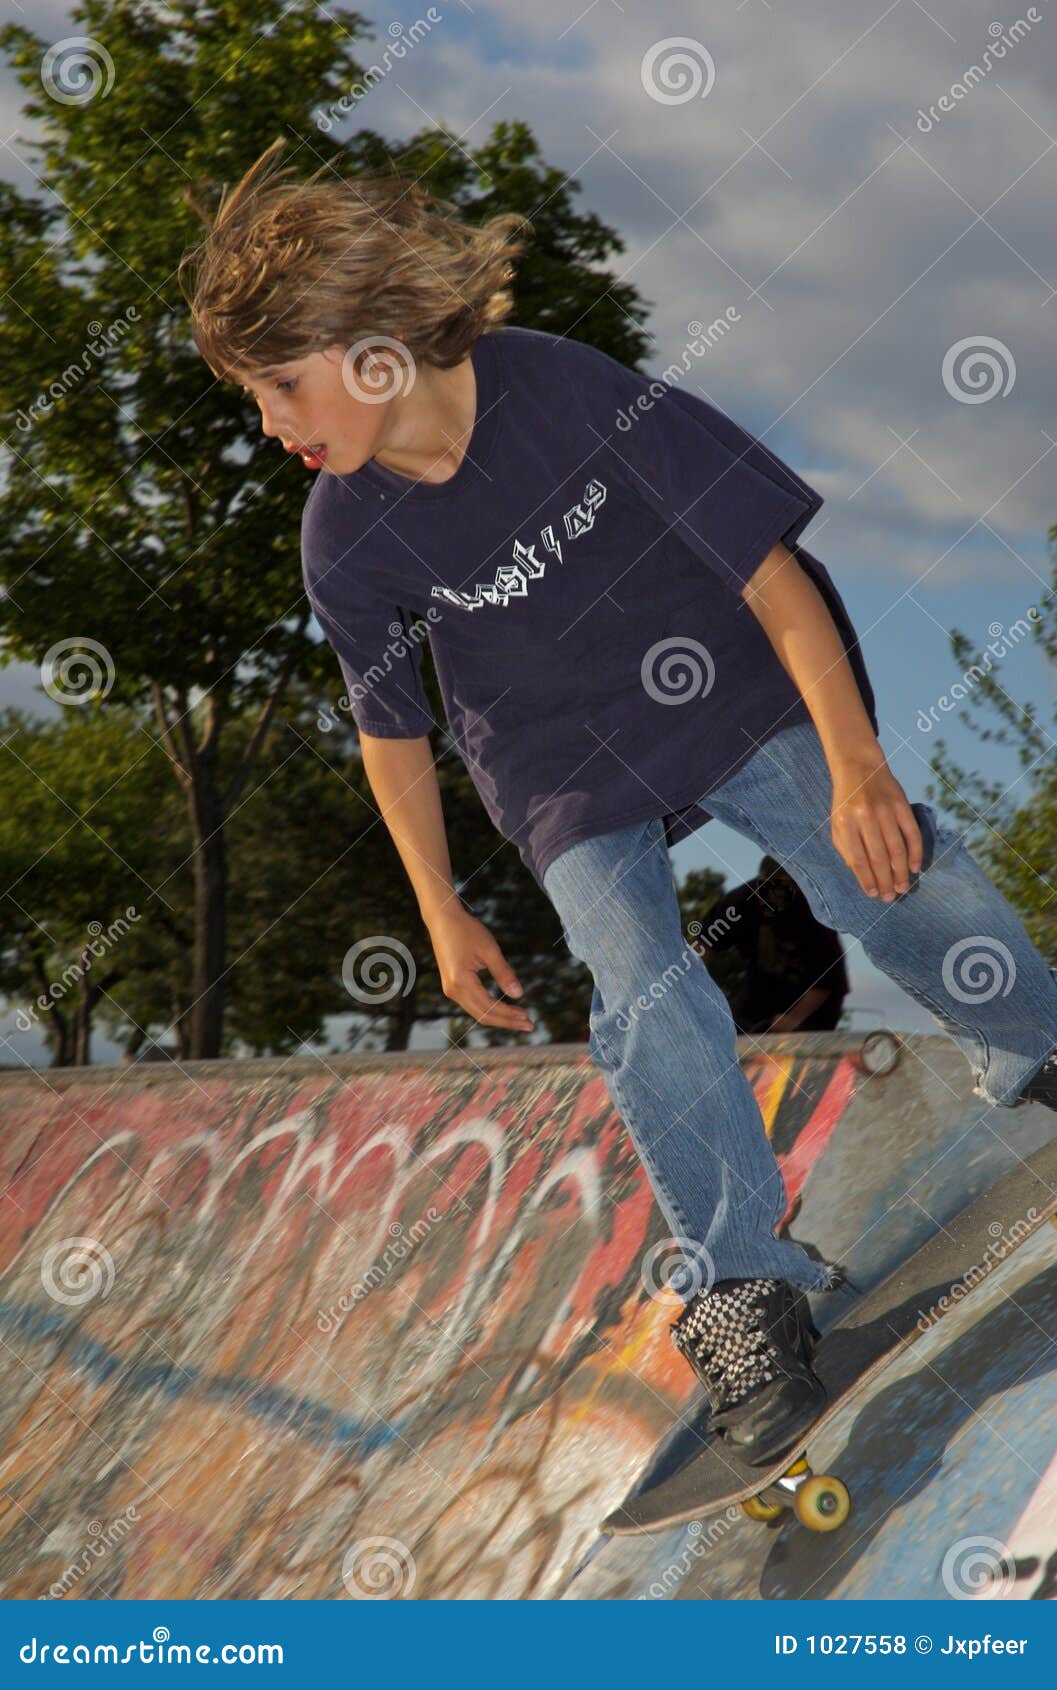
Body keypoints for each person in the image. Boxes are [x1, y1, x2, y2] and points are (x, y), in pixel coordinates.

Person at [180, 140, 1057, 1470]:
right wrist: (438, 904)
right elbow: (390, 727)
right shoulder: (343, 537)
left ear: (368, 349)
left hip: (724, 689)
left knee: (880, 867)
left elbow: (770, 573)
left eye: (278, 387)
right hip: (554, 766)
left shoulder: (562, 390)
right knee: (636, 978)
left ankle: (1036, 1040)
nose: (272, 426)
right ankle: (743, 1291)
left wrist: (859, 764)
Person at [696, 853, 849, 1035]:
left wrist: (792, 1020)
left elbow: (826, 985)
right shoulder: (740, 902)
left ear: (796, 887)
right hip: (760, 996)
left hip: (811, 1007)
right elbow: (703, 946)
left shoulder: (815, 915)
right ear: (760, 883)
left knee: (793, 1038)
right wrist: (694, 995)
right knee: (739, 1031)